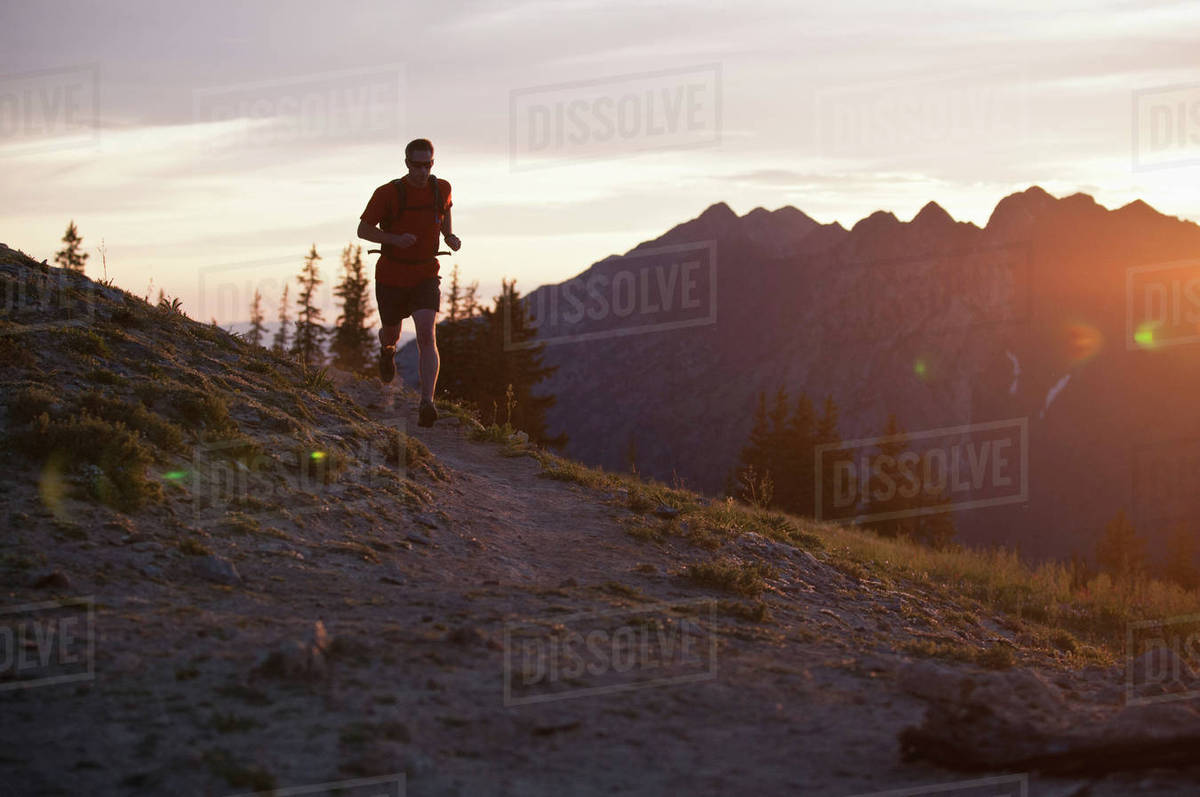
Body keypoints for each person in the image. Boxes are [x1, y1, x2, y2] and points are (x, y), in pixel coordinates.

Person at [357, 138, 461, 427]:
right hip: (391, 275)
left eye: (427, 165)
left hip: (425, 274)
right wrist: (394, 240)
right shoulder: (387, 193)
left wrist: (449, 236)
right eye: (417, 165)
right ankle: (387, 351)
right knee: (391, 333)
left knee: (427, 335)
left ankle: (427, 402)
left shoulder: (442, 189)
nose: (422, 171)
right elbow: (363, 230)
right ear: (406, 163)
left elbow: (446, 210)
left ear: (432, 163)